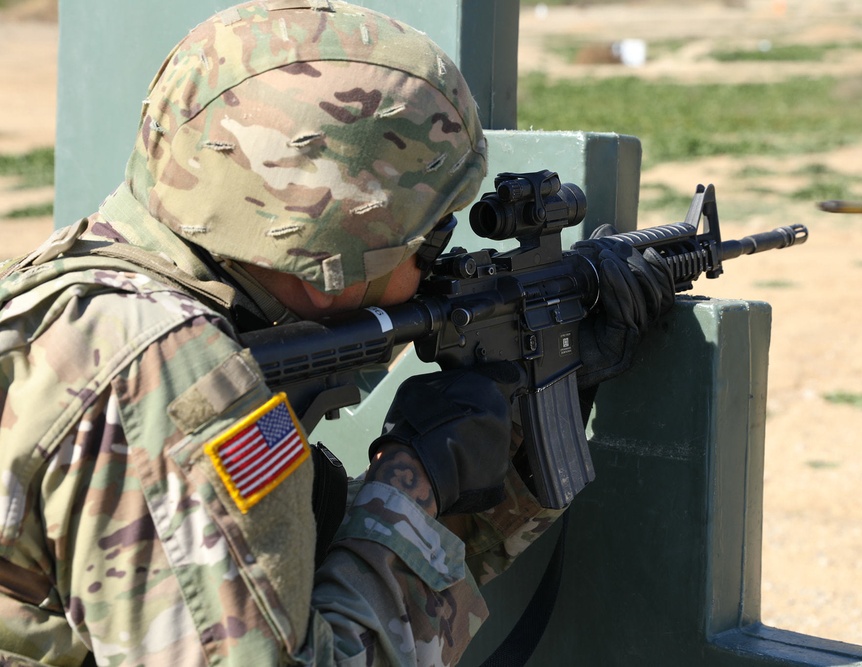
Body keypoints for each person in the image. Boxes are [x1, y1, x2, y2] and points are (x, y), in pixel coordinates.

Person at [0, 2, 672, 665]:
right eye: (431, 239)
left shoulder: (79, 294)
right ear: (331, 257)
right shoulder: (175, 381)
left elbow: (265, 586)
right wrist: (416, 480)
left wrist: (531, 416)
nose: (440, 265)